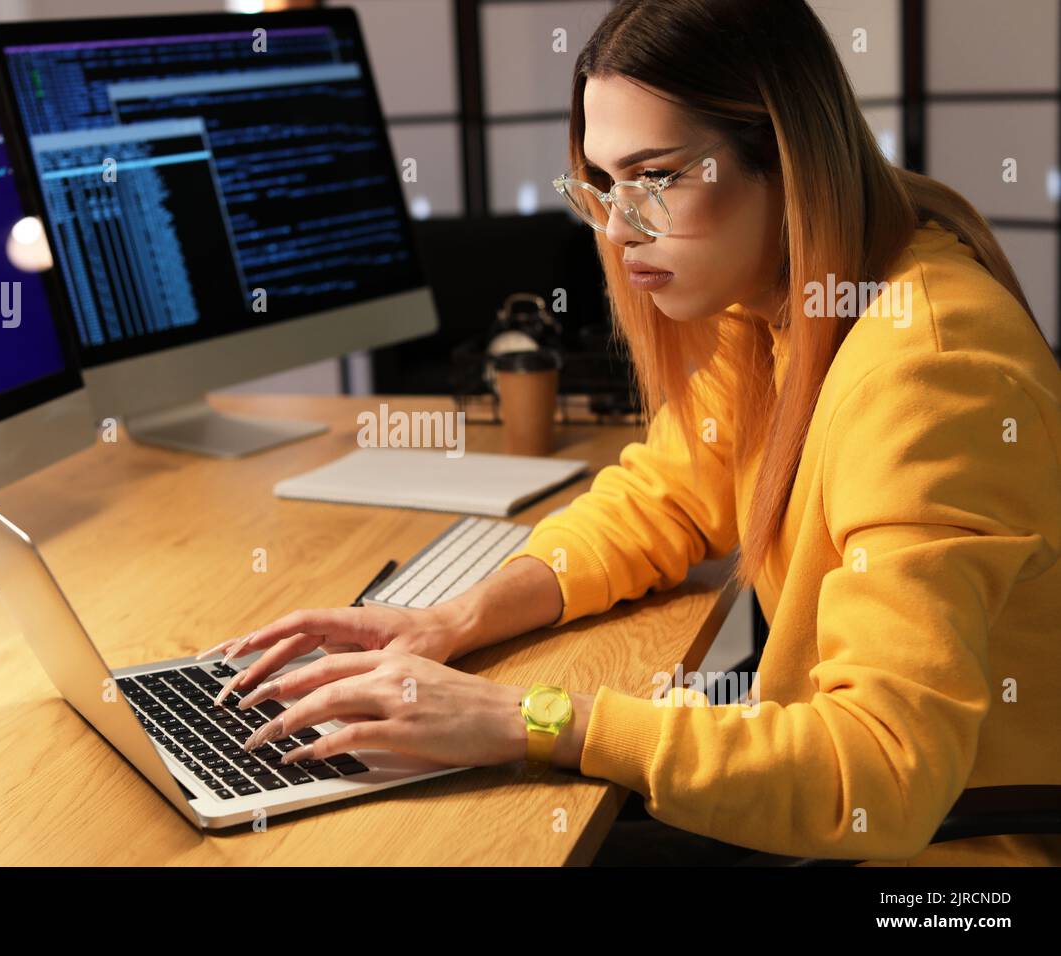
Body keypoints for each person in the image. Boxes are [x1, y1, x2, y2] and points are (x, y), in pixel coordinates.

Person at [201, 0, 1061, 865]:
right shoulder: (793, 294)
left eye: (655, 178)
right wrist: (453, 618)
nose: (618, 229)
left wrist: (525, 718)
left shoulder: (929, 372)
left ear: (787, 156)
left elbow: (879, 776)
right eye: (606, 185)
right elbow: (666, 498)